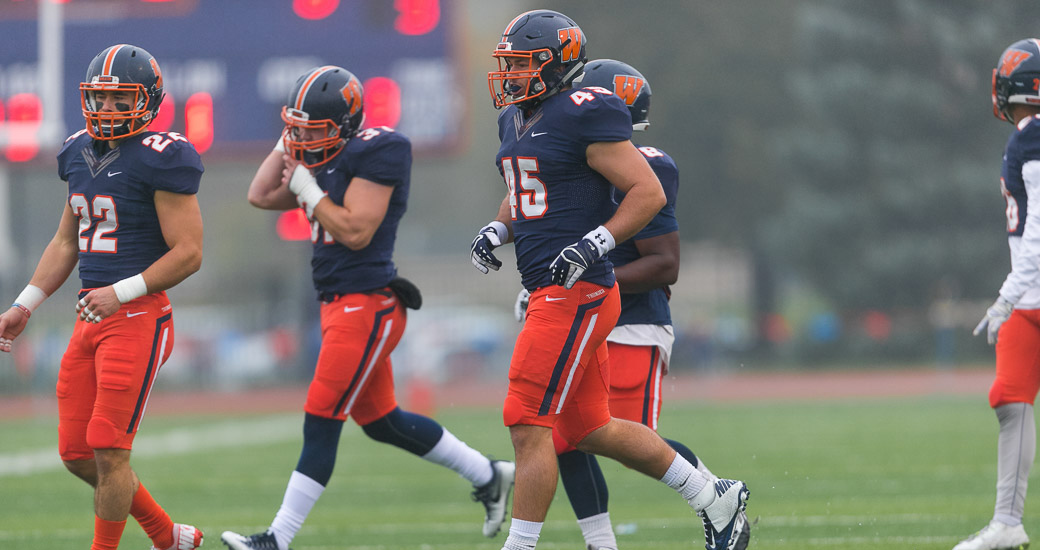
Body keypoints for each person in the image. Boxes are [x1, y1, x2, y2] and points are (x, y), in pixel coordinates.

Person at [471, 10, 750, 550]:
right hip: (551, 286)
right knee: (589, 429)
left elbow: (647, 192)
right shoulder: (515, 118)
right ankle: (712, 494)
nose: (510, 76)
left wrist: (596, 241)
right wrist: (497, 227)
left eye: (523, 65)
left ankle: (520, 546)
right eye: (508, 65)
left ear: (559, 66)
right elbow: (528, 189)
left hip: (578, 290)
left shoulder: (584, 112)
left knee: (526, 420)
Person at [220, 65, 515, 550]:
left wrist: (308, 189)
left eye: (312, 130)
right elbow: (259, 194)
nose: (303, 140)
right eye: (296, 128)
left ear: (346, 126)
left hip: (368, 305)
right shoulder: (319, 156)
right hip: (338, 304)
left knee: (320, 416)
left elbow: (355, 230)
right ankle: (488, 474)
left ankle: (276, 538)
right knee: (382, 422)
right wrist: (287, 141)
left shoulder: (379, 150)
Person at [0, 44, 205, 550]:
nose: (107, 110)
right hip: (91, 314)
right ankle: (167, 536)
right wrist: (24, 304)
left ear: (148, 101)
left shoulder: (165, 156)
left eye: (120, 100)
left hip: (138, 315)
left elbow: (190, 252)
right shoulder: (76, 150)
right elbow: (66, 241)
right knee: (75, 453)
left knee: (109, 451)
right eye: (100, 99)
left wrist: (122, 290)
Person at [960, 37, 1040, 550]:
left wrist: (1006, 295)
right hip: (1029, 299)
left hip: (1027, 291)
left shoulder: (1031, 139)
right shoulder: (1027, 137)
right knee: (1010, 401)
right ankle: (1007, 522)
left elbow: (1039, 231)